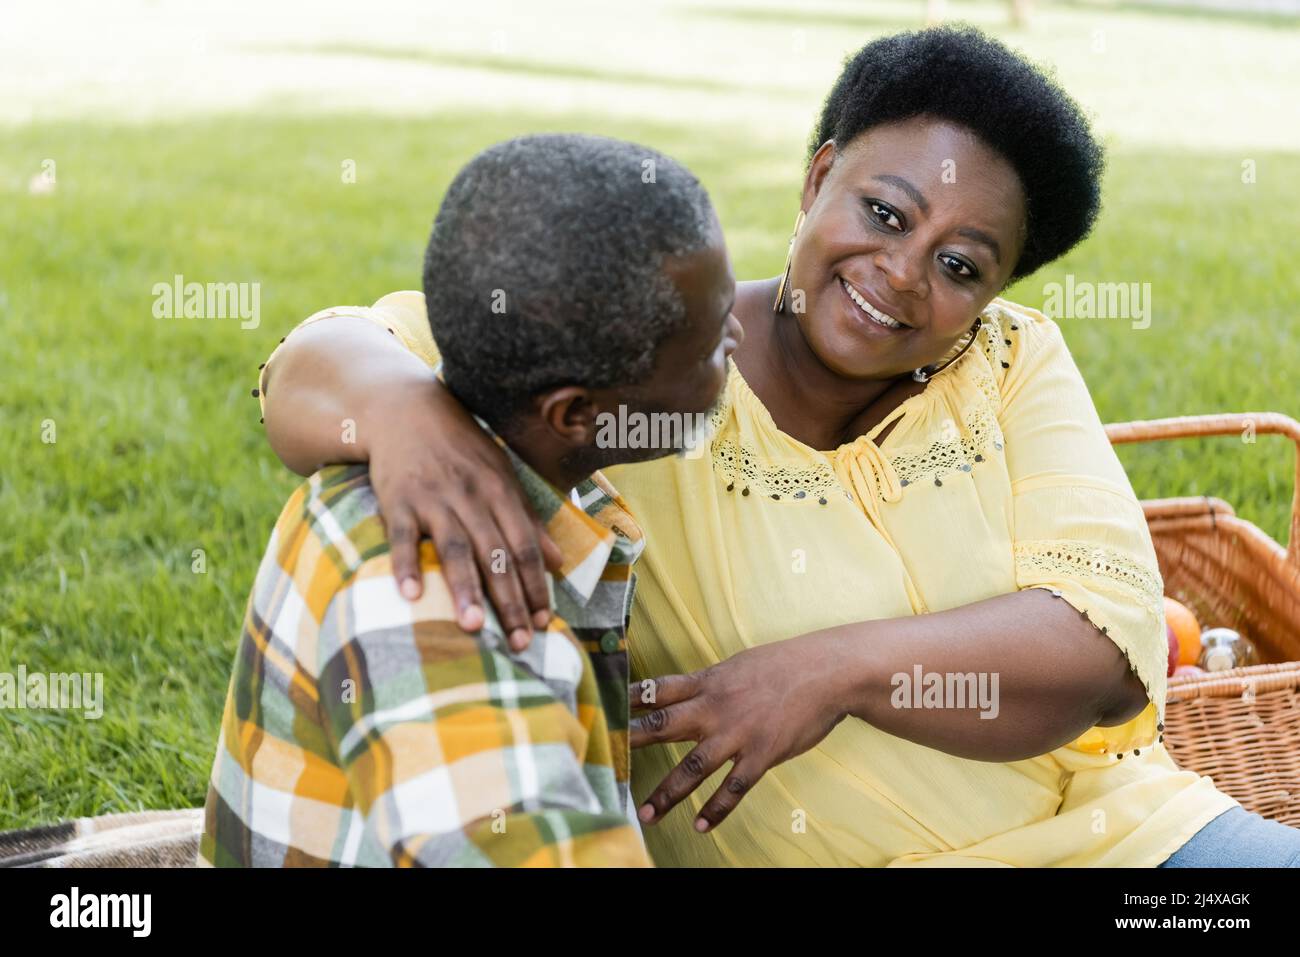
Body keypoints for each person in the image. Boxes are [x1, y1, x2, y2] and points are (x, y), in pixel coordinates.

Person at [254, 27, 1300, 866]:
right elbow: (310, 364)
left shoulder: (1008, 362)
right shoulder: (644, 355)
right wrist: (401, 410)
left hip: (1127, 846)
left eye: (961, 266)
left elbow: (1100, 657)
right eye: (883, 213)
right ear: (819, 176)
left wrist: (828, 672)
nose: (899, 273)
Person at [199, 133, 741, 866]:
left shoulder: (410, 451)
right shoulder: (451, 595)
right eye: (709, 346)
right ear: (575, 414)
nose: (736, 337)